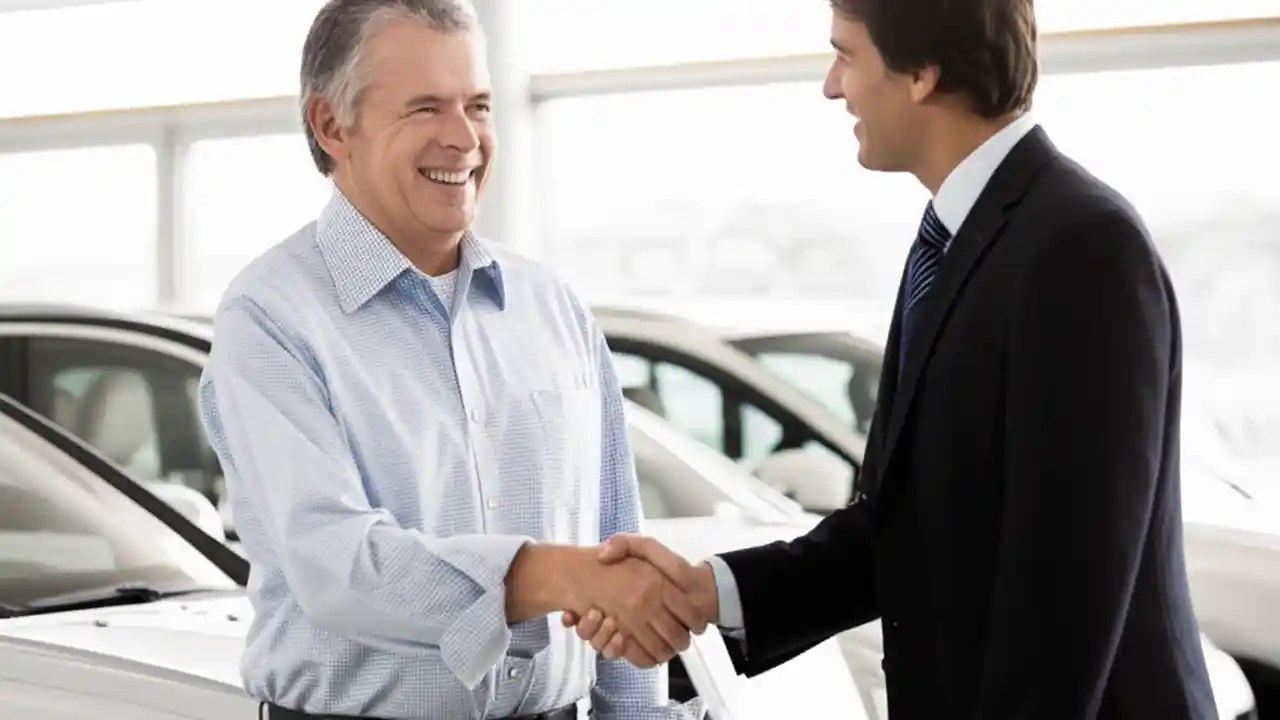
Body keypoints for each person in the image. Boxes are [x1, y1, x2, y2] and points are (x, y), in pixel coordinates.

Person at [565, 0, 1218, 717]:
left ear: (922, 73)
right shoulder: (953, 239)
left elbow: (1068, 592)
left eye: (846, 54)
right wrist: (708, 591)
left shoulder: (1082, 246)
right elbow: (897, 530)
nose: (831, 86)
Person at [197, 1, 706, 718]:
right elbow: (336, 565)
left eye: (478, 106)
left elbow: (615, 533)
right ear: (331, 125)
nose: (464, 139)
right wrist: (552, 576)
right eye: (426, 108)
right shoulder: (270, 316)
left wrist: (637, 711)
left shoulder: (552, 305)